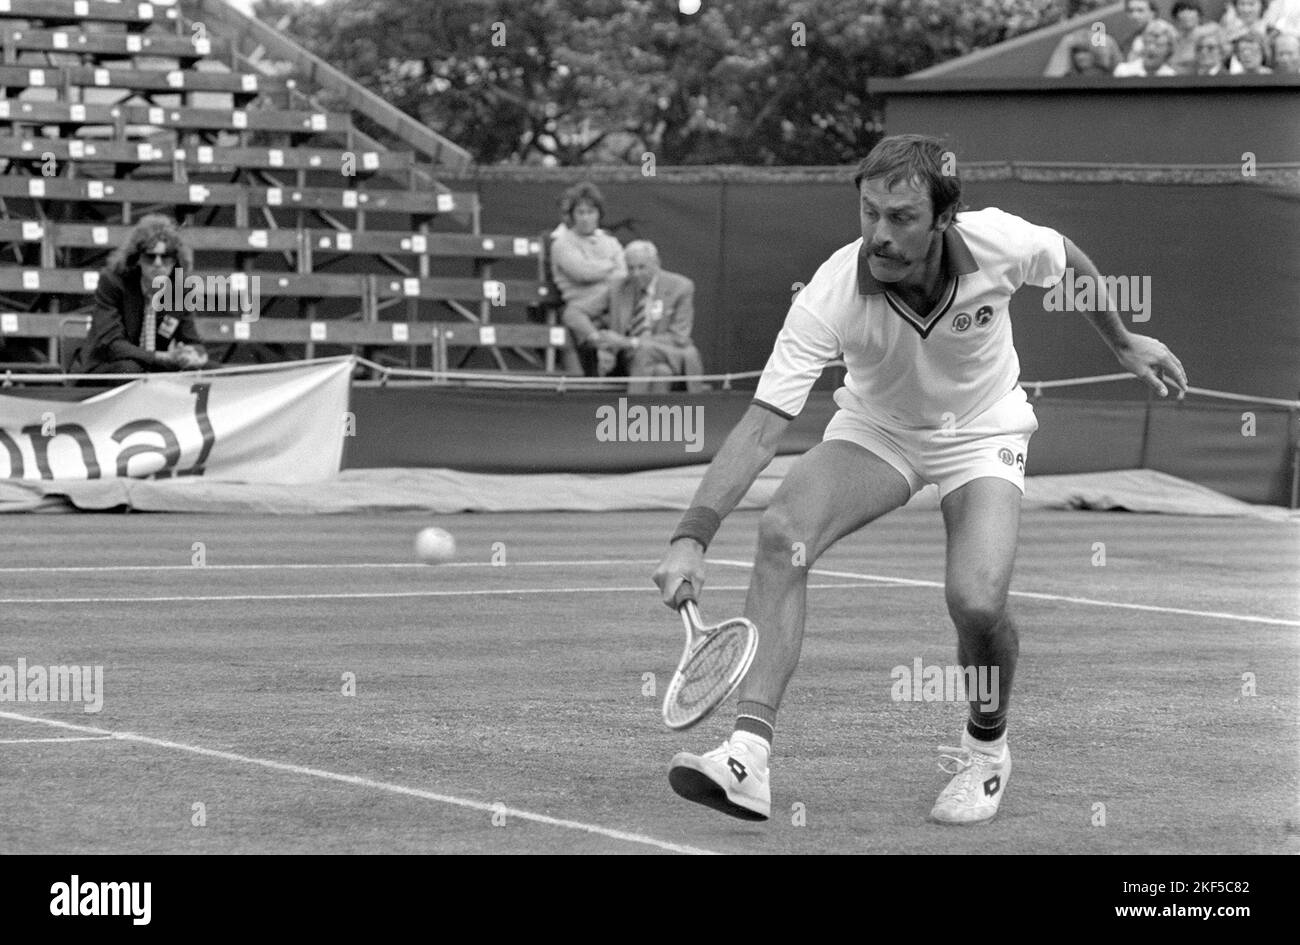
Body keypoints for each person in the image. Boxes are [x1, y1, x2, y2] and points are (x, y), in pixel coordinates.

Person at [652, 134, 1188, 824]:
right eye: (869, 212)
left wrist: (1124, 341)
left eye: (900, 216)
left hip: (983, 428)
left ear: (943, 219)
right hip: (879, 430)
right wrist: (691, 537)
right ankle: (747, 756)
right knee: (783, 529)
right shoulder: (832, 291)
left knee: (976, 602)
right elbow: (761, 429)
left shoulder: (998, 241)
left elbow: (1065, 259)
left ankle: (987, 750)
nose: (879, 232)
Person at [74, 214, 209, 378]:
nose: (158, 263)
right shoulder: (113, 282)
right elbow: (113, 346)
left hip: (154, 366)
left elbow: (192, 340)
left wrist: (194, 355)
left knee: (213, 369)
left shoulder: (180, 290)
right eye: (150, 256)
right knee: (131, 369)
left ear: (176, 261)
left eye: (166, 256)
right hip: (106, 367)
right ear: (137, 258)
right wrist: (163, 357)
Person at [568, 240, 706, 393]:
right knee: (661, 371)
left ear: (656, 263)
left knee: (657, 365)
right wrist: (597, 338)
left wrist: (630, 342)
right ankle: (645, 413)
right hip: (626, 358)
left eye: (641, 267)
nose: (635, 274)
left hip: (666, 353)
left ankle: (632, 410)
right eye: (630, 268)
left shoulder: (681, 287)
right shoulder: (618, 287)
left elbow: (679, 337)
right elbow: (574, 312)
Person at [549, 181, 626, 374]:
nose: (585, 218)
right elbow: (582, 273)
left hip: (614, 301)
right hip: (582, 303)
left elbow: (623, 274)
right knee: (572, 315)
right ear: (572, 216)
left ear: (599, 214)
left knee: (622, 290)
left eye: (590, 212)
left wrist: (603, 270)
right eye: (580, 212)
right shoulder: (562, 243)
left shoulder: (611, 241)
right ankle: (605, 346)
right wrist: (610, 264)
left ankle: (613, 348)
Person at [1114, 19, 1181, 74]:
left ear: (1169, 50)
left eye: (1158, 45)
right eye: (1148, 43)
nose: (1151, 48)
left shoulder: (1171, 75)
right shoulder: (1123, 71)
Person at [1169, 0, 1205, 72]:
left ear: (1199, 15)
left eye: (1191, 9)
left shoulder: (1208, 36)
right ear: (1176, 17)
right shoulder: (1172, 40)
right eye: (1182, 10)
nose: (1186, 14)